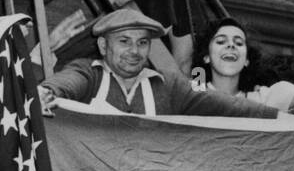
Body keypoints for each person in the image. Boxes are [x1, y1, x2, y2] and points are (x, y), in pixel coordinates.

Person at [39, 8, 281, 118]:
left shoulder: (169, 85)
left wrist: (281, 119)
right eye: (124, 41)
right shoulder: (89, 74)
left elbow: (226, 106)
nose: (134, 50)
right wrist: (47, 92)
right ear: (103, 46)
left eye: (143, 42)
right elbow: (66, 84)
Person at [197, 15, 294, 111]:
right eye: (221, 41)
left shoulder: (264, 100)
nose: (231, 46)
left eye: (239, 43)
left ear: (246, 60)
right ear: (206, 57)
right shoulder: (193, 96)